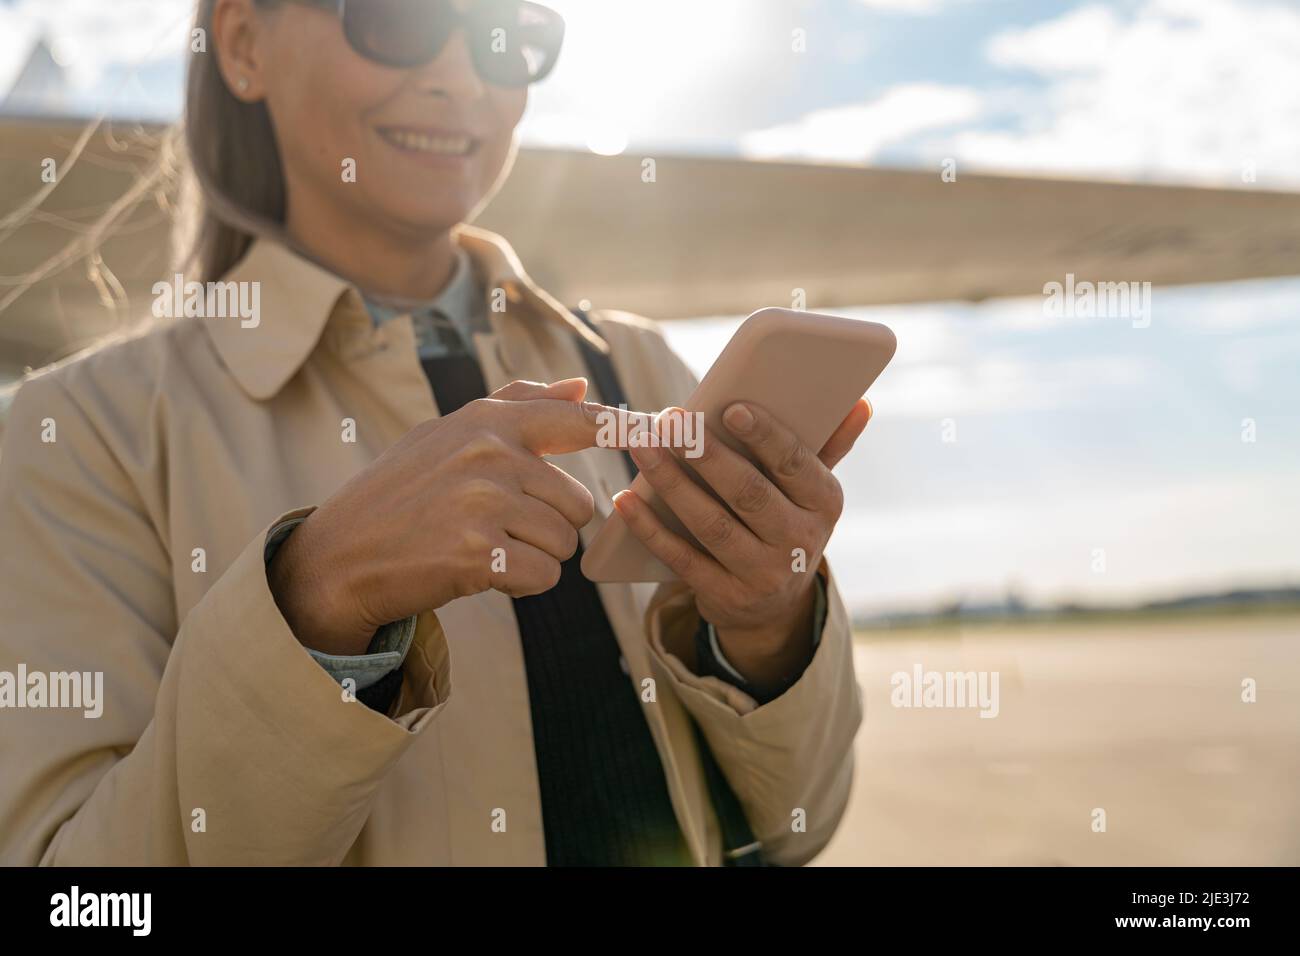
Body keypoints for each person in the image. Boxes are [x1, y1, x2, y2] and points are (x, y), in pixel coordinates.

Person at [0, 0, 869, 866]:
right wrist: (313, 598)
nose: (458, 75)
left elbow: (801, 827)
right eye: (395, 17)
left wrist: (765, 635)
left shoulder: (643, 368)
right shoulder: (79, 431)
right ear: (242, 43)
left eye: (505, 38)